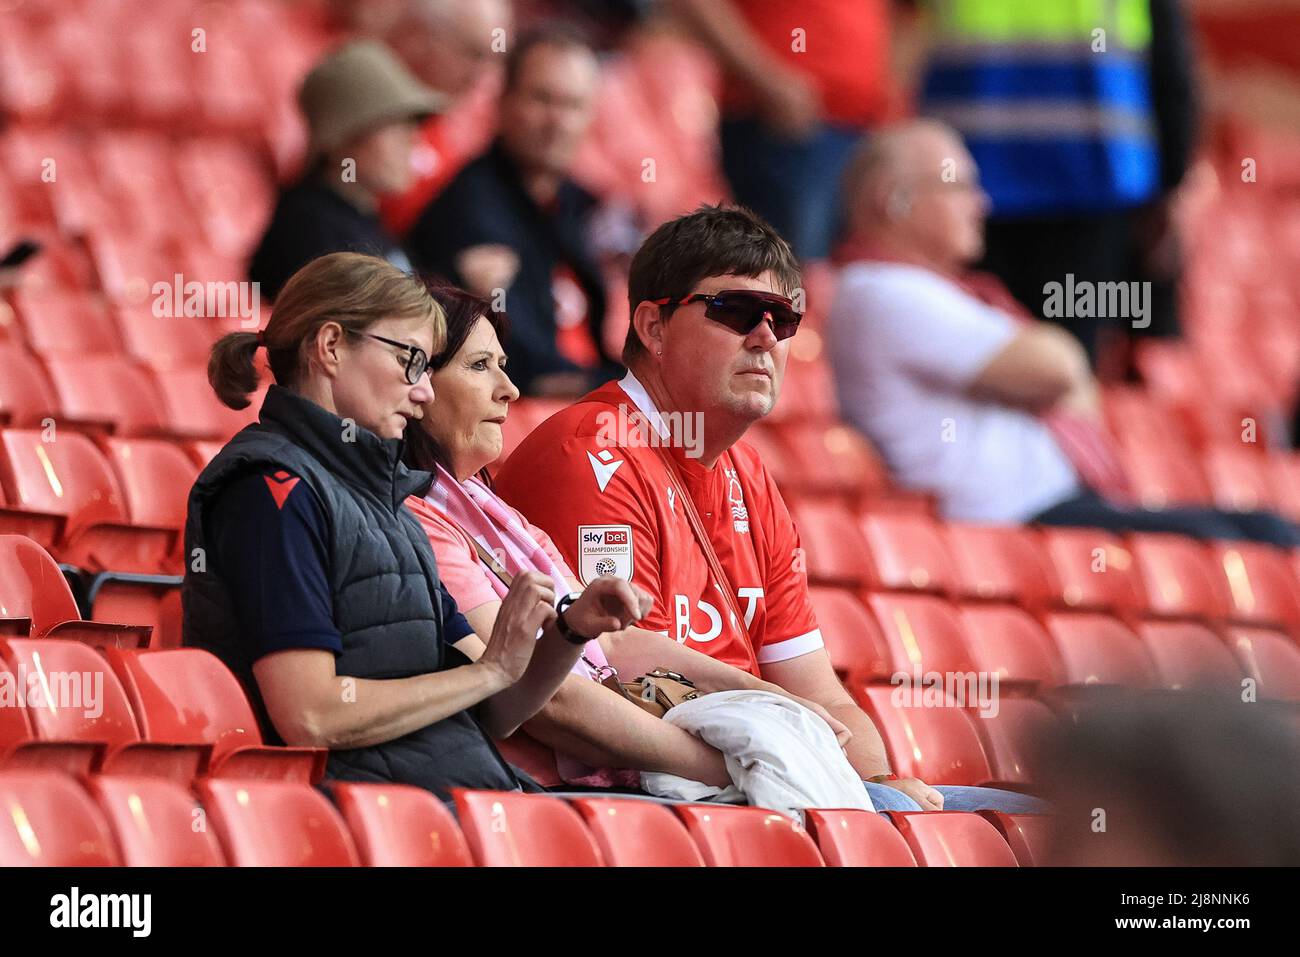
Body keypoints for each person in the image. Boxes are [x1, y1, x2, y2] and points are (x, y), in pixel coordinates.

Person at [493, 204, 1045, 813]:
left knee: (1044, 826)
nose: (764, 337)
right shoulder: (592, 455)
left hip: (755, 774)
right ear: (653, 328)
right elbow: (620, 677)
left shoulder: (749, 473)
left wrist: (882, 782)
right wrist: (843, 781)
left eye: (782, 320)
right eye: (733, 311)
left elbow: (822, 695)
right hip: (645, 794)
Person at [182, 252, 650, 803]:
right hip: (364, 821)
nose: (424, 390)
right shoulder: (272, 489)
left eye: (428, 368)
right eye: (411, 361)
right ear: (331, 347)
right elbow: (310, 715)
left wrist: (569, 633)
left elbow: (496, 710)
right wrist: (489, 671)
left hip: (459, 801)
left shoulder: (392, 506)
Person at [403, 281, 855, 790]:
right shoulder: (424, 517)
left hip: (618, 785)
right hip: (547, 797)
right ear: (413, 383)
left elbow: (613, 643)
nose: (509, 389)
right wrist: (744, 768)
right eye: (479, 365)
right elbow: (553, 699)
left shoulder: (489, 513)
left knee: (926, 811)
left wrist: (781, 708)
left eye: (785, 320)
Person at [829, 119, 1300, 546]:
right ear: (895, 201)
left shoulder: (937, 290)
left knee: (1264, 528)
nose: (981, 204)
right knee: (1234, 542)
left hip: (1051, 512)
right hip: (1011, 531)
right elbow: (1061, 369)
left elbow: (1072, 380)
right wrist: (1058, 369)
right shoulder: (881, 290)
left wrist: (1059, 372)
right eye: (961, 186)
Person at [407, 24, 620, 397]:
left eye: (573, 105)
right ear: (502, 102)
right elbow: (521, 367)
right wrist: (630, 389)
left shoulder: (579, 203)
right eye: (542, 99)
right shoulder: (471, 212)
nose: (558, 121)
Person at [667, 0, 910, 261]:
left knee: (851, 271)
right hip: (781, 128)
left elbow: (908, 15)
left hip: (861, 128)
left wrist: (888, 91)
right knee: (787, 273)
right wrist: (768, 81)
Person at [249, 40, 441, 299]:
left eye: (411, 124)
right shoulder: (311, 229)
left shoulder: (362, 219)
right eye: (392, 126)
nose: (411, 139)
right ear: (341, 140)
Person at [377, 0, 513, 237]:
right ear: (421, 38)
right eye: (474, 54)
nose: (483, 76)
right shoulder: (376, 115)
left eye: (494, 59)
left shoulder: (471, 122)